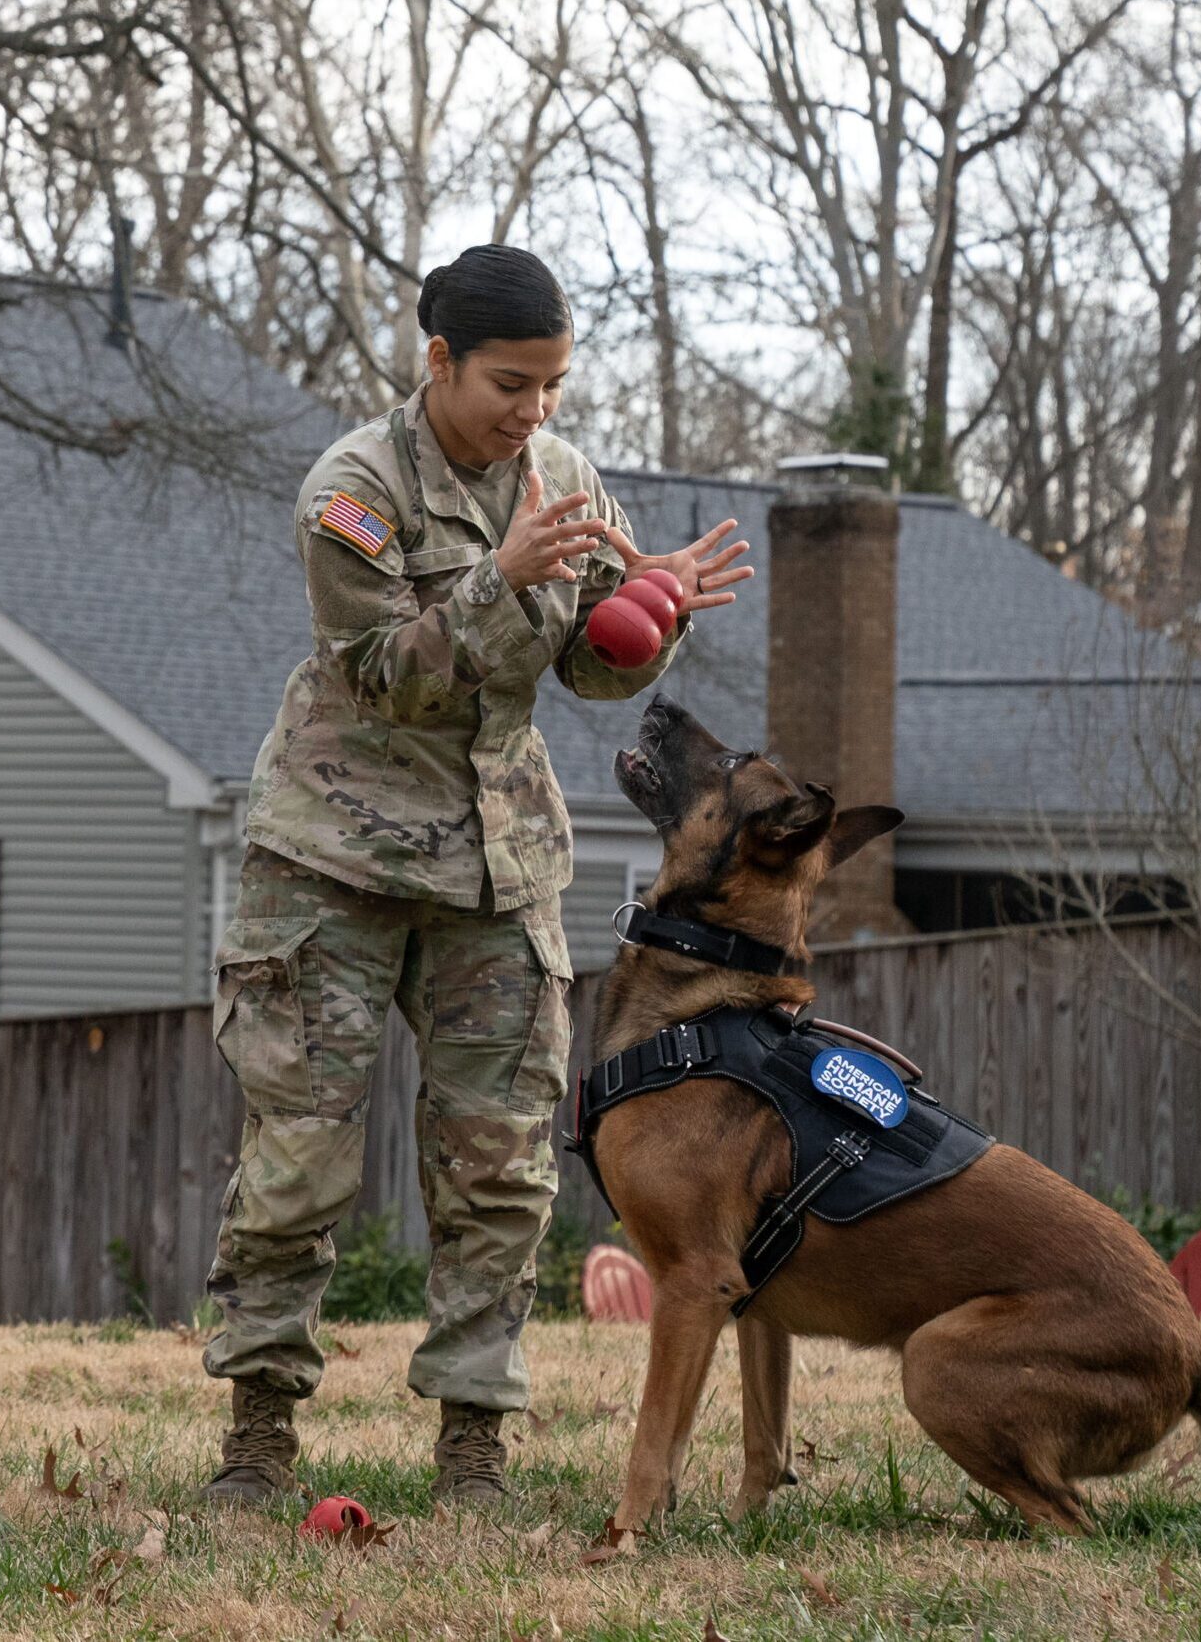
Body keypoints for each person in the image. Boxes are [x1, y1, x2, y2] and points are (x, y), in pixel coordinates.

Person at [198, 244, 752, 1508]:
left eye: (554, 385)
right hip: (332, 863)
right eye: (511, 383)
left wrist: (654, 610)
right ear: (440, 359)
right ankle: (259, 1439)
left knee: (500, 1168)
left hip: (498, 866)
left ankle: (473, 1449)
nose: (534, 411)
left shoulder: (564, 480)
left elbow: (592, 669)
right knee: (298, 1163)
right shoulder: (353, 491)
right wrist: (502, 577)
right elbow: (384, 675)